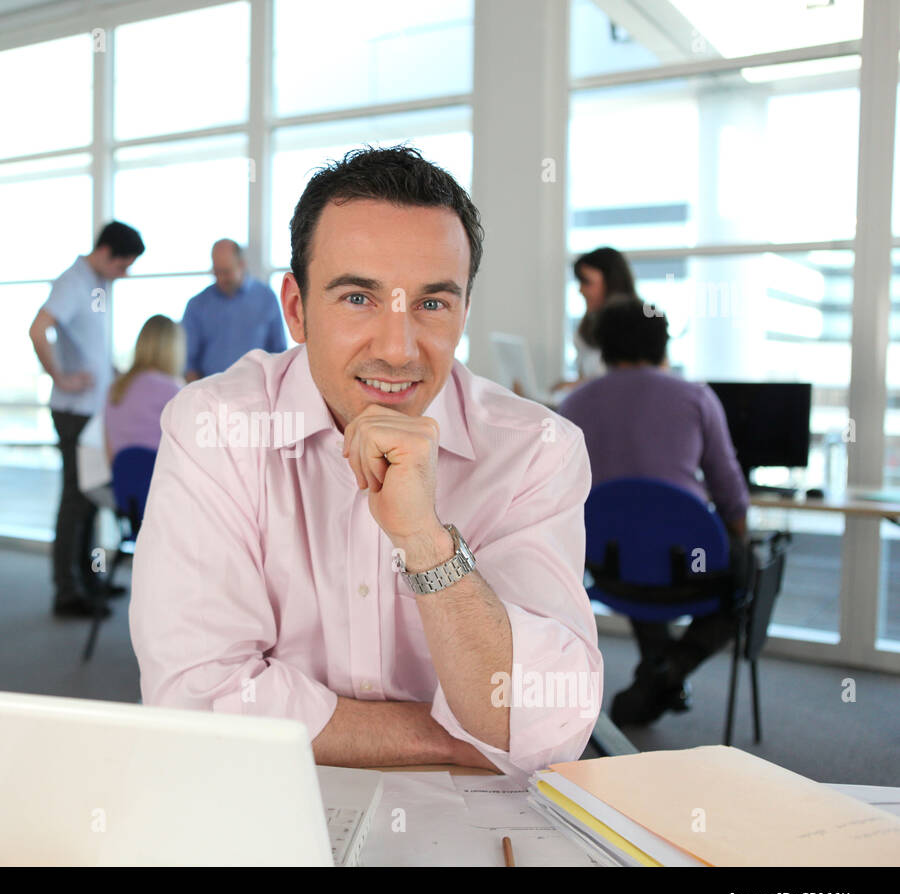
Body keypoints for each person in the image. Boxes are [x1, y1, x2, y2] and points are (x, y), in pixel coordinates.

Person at [130, 147, 601, 775]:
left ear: (464, 309)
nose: (398, 349)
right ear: (295, 310)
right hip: (263, 807)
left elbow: (543, 725)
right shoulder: (217, 427)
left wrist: (427, 542)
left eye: (433, 303)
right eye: (358, 298)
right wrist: (444, 738)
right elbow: (194, 698)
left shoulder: (538, 449)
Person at [557, 295, 749, 726]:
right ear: (663, 345)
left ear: (602, 347)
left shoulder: (574, 405)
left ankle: (655, 674)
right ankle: (669, 668)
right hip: (692, 568)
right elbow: (729, 490)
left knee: (643, 550)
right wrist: (740, 538)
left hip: (608, 567)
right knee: (749, 577)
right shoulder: (695, 397)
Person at [29, 221, 145, 618]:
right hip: (72, 412)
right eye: (125, 265)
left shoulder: (99, 286)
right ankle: (67, 592)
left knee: (92, 499)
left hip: (93, 413)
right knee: (76, 502)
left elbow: (93, 349)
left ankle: (91, 580)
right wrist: (59, 376)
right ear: (111, 254)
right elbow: (37, 329)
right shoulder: (73, 282)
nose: (125, 273)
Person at [181, 239, 287, 382]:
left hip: (259, 393)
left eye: (226, 272)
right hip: (210, 395)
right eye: (217, 272)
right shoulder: (197, 305)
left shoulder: (266, 298)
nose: (221, 278)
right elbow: (188, 362)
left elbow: (280, 354)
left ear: (242, 265)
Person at [552, 247, 637, 394]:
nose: (580, 290)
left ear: (612, 282)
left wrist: (579, 386)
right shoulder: (585, 328)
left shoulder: (641, 328)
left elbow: (633, 384)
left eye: (586, 282)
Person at [103, 314, 184, 464]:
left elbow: (110, 456)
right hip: (161, 484)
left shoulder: (115, 389)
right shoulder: (173, 390)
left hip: (122, 483)